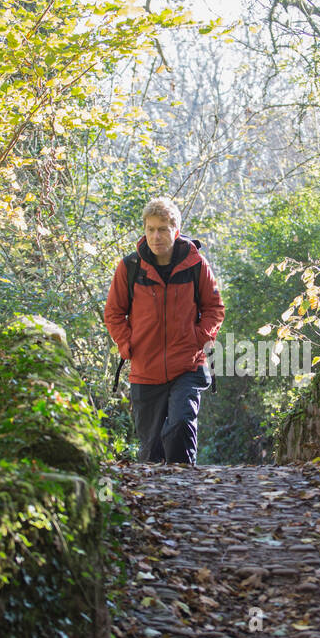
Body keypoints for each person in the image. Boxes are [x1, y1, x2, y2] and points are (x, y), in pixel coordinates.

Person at [103, 197, 225, 464]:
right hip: (146, 370)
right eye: (150, 229)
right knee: (151, 448)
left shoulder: (196, 265)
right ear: (144, 230)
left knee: (181, 426)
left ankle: (184, 495)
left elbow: (214, 308)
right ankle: (154, 501)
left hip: (188, 365)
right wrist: (128, 345)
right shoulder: (130, 268)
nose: (155, 236)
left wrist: (198, 339)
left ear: (175, 230)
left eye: (162, 229)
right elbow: (113, 313)